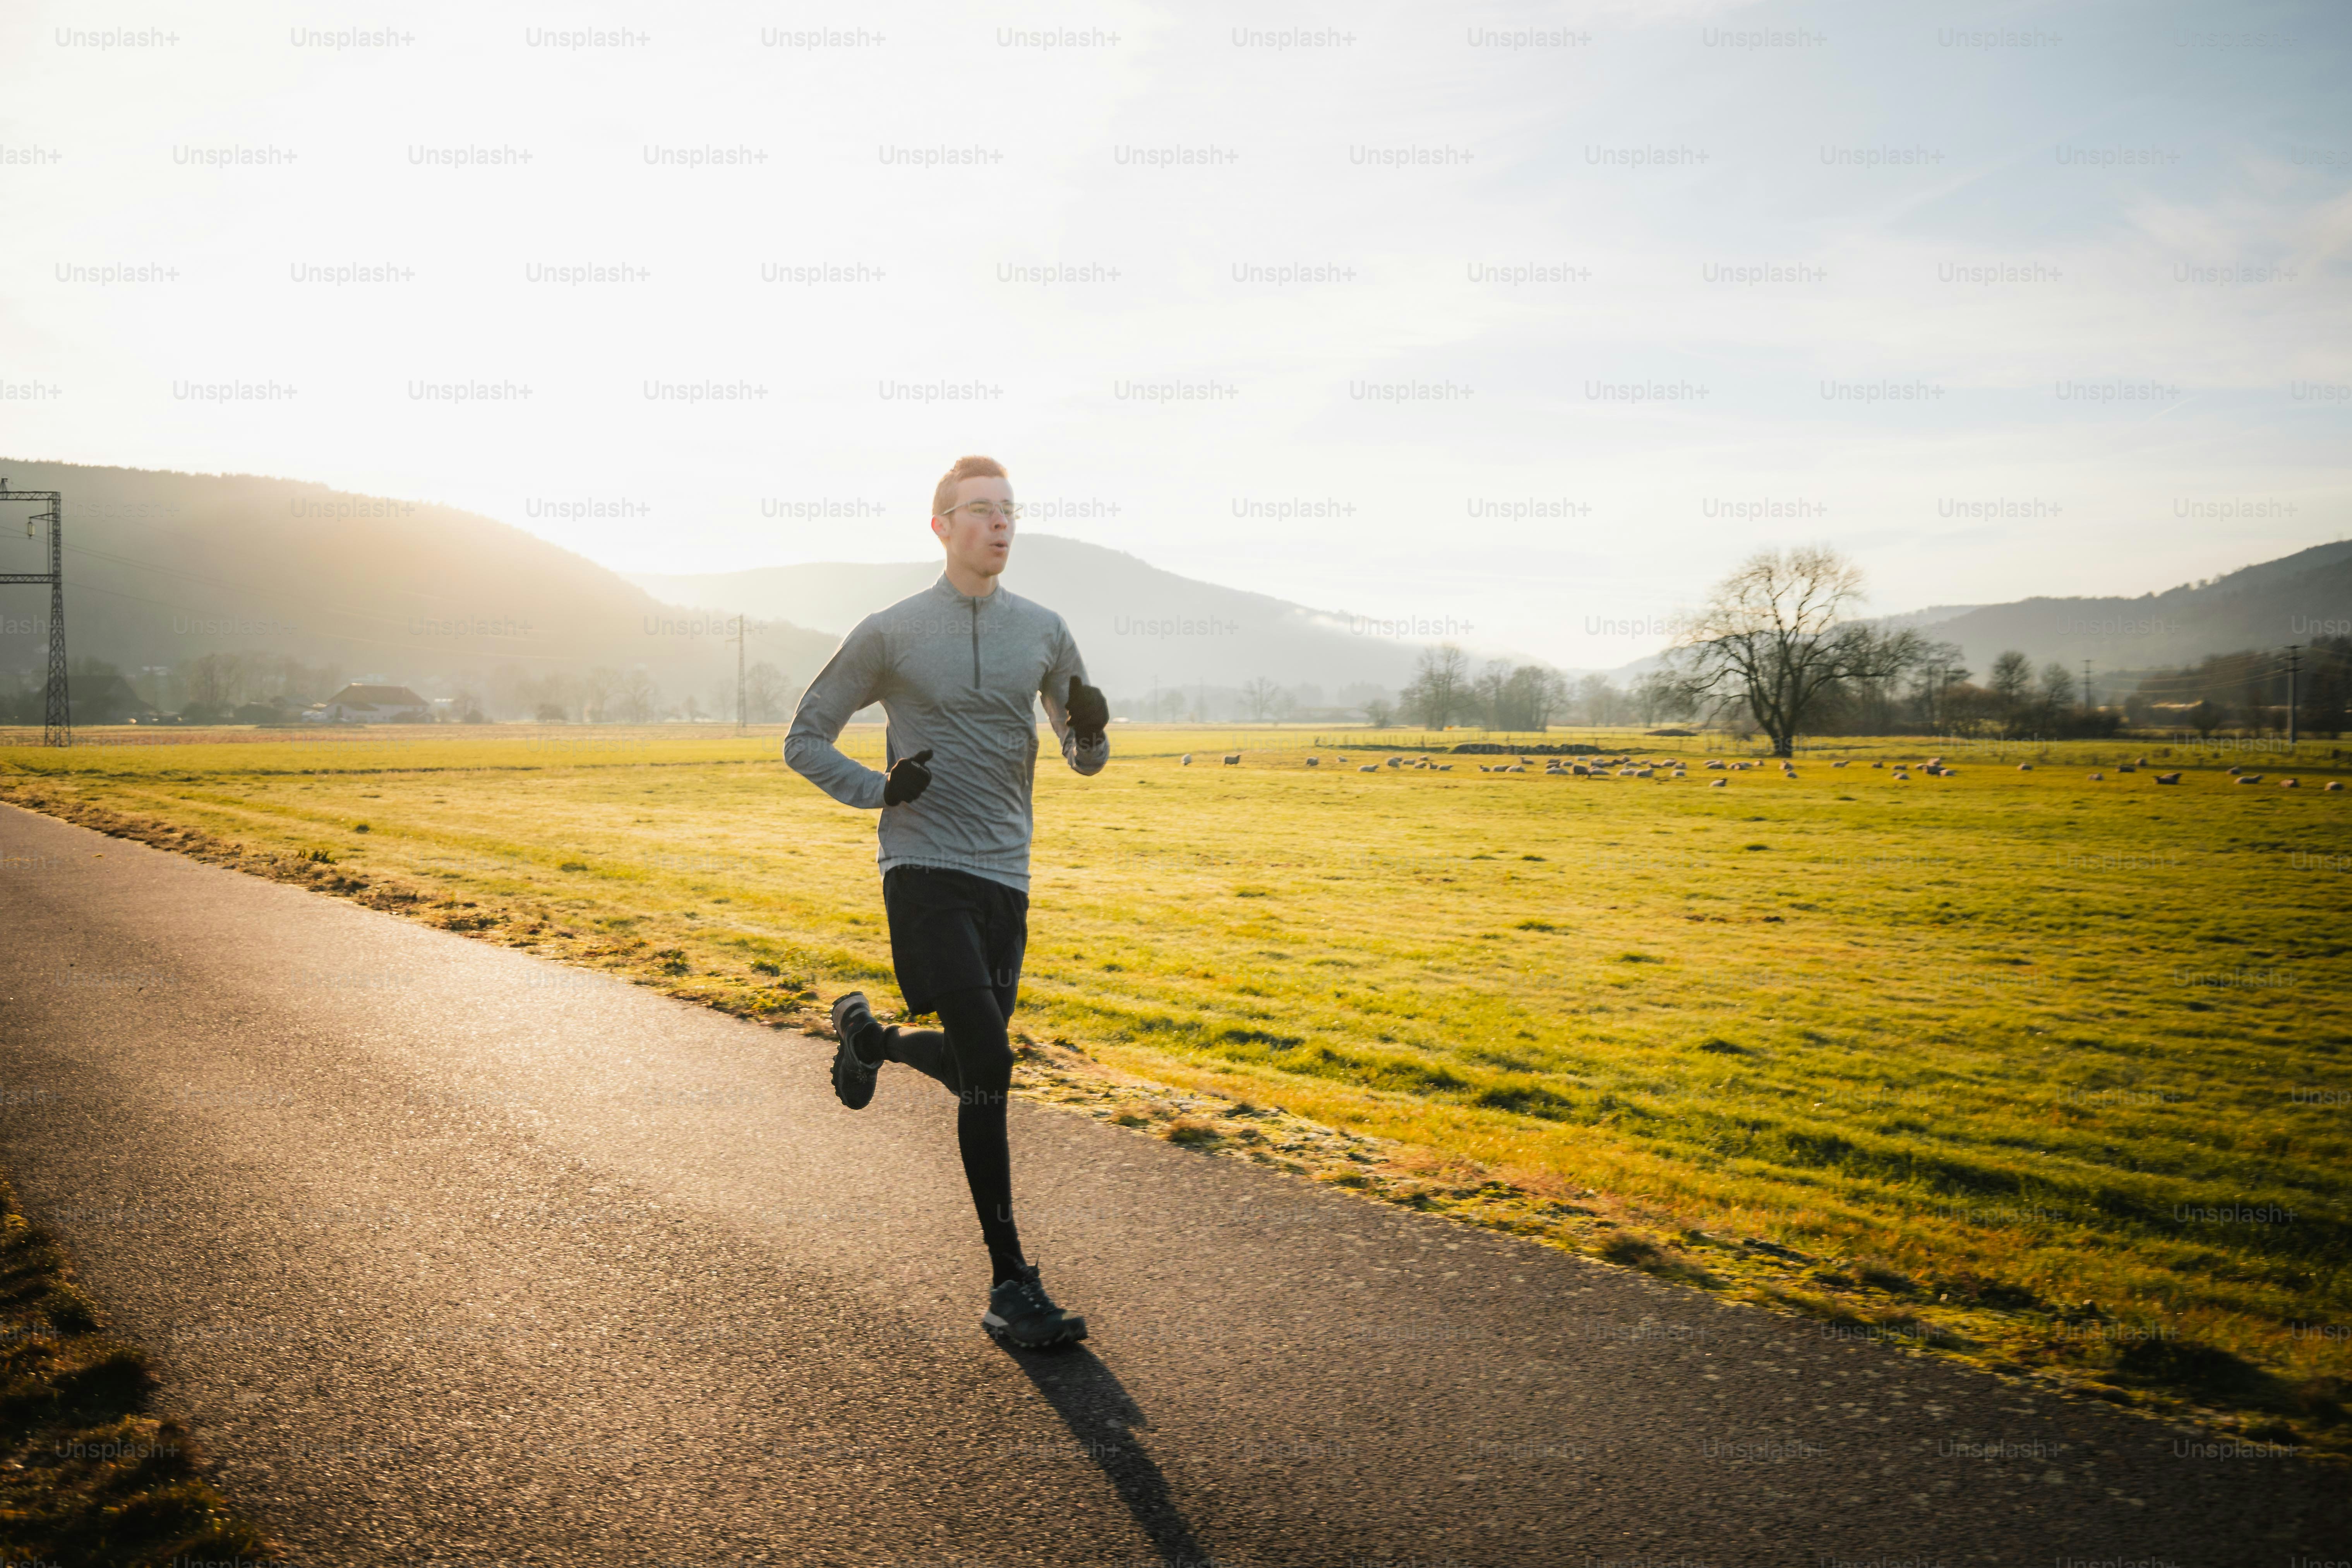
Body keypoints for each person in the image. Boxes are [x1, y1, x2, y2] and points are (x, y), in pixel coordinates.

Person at [784, 454, 1110, 1349]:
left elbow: (1082, 759)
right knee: (990, 1061)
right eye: (980, 511)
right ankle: (1011, 1283)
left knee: (981, 1069)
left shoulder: (1044, 630)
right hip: (922, 867)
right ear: (939, 527)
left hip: (1006, 872)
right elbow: (803, 739)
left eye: (1010, 511)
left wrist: (1089, 731)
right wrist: (878, 792)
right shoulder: (890, 633)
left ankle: (870, 1040)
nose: (1000, 525)